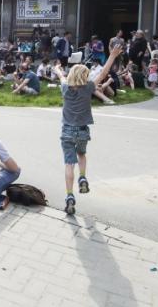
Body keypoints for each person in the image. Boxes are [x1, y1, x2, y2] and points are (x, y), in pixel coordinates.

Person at [52, 44, 122, 215]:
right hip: (82, 131)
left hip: (67, 131)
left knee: (69, 163)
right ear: (84, 76)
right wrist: (112, 56)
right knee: (81, 154)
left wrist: (57, 68)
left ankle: (69, 197)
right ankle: (83, 177)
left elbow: (61, 75)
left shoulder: (65, 88)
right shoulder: (89, 87)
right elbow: (104, 73)